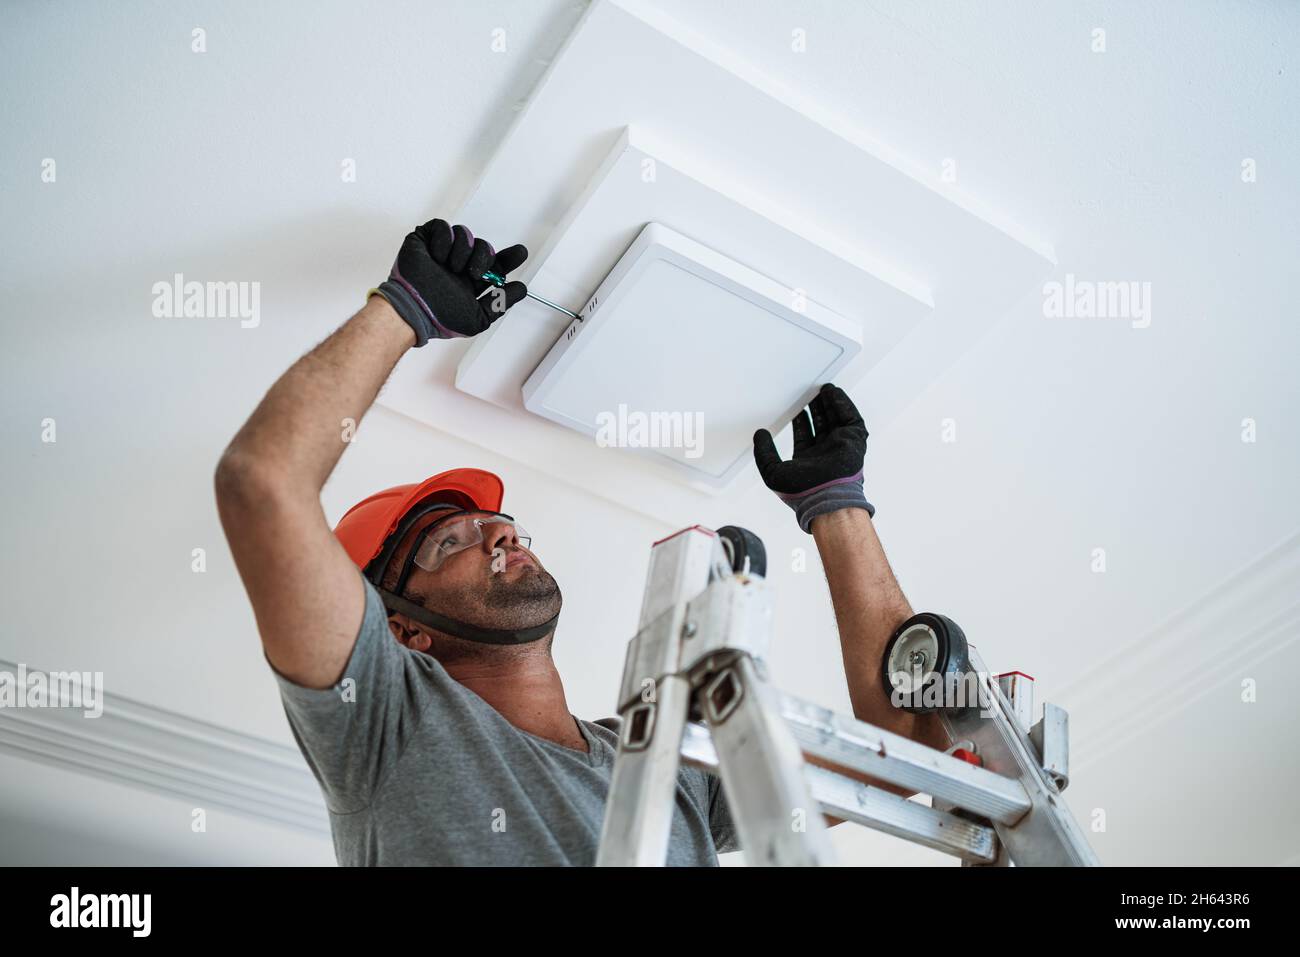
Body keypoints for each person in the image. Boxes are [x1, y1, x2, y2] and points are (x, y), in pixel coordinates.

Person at [214, 219, 947, 865]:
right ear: (404, 630)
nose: (498, 530)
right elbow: (262, 484)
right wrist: (404, 310)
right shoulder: (385, 724)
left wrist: (836, 509)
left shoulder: (664, 764)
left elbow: (905, 752)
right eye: (449, 541)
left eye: (501, 524)